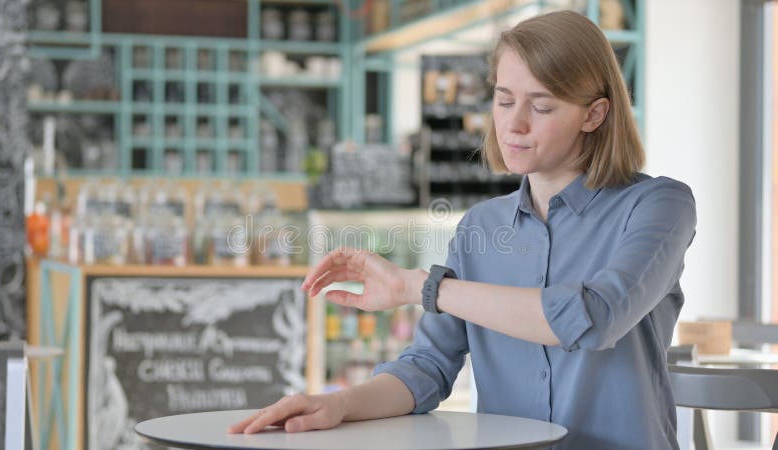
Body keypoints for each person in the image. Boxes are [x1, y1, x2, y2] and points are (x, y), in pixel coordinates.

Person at [229, 10, 696, 450]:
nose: (514, 124)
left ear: (593, 115)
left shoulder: (658, 205)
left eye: (542, 107)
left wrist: (420, 288)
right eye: (504, 100)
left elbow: (594, 315)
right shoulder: (482, 225)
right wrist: (338, 404)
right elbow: (427, 368)